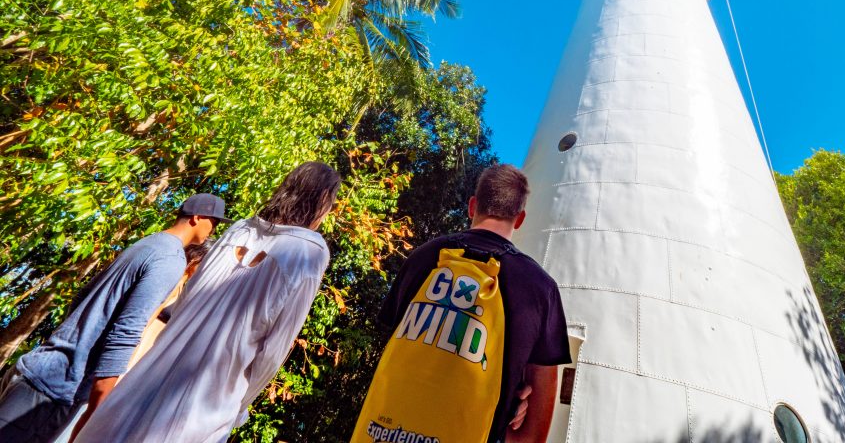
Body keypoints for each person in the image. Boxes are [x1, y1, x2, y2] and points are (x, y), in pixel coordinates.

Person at [73, 161, 342, 443]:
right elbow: (274, 349)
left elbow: (187, 297)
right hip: (205, 405)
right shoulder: (310, 251)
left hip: (149, 376)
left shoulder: (239, 229)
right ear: (321, 202)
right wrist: (239, 404)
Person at [359, 163, 571, 443]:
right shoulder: (540, 288)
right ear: (519, 219)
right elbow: (535, 420)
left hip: (383, 431)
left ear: (472, 206)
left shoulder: (422, 258)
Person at [0, 193, 226, 443]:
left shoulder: (149, 243)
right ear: (198, 218)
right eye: (214, 222)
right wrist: (99, 408)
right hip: (55, 389)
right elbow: (126, 331)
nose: (212, 230)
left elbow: (82, 296)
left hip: (38, 370)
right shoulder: (170, 260)